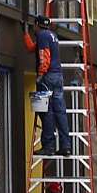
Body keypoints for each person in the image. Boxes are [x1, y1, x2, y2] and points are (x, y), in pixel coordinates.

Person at [25, 15, 67, 160]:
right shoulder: (52, 35)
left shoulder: (42, 36)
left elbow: (44, 56)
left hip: (47, 76)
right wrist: (26, 35)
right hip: (58, 76)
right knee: (60, 111)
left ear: (37, 24)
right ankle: (65, 146)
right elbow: (32, 48)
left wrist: (40, 74)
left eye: (33, 26)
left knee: (45, 111)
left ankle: (48, 146)